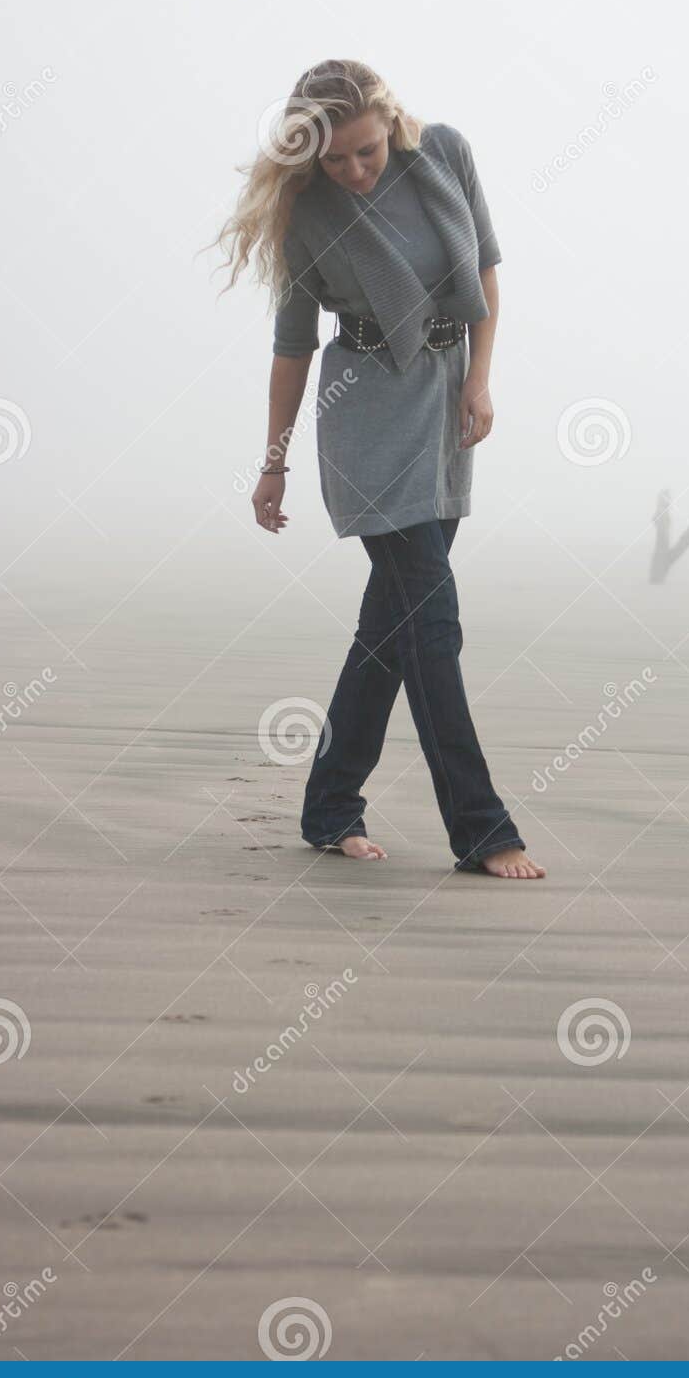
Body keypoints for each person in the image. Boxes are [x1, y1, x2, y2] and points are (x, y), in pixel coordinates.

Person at [214, 59, 545, 881]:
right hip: (361, 416)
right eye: (335, 160)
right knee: (431, 622)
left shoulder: (446, 154)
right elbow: (293, 346)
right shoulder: (304, 215)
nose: (354, 173)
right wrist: (274, 465)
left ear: (388, 125)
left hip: (442, 407)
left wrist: (478, 380)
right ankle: (481, 827)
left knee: (390, 633)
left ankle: (329, 808)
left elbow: (489, 278)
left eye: (364, 152)